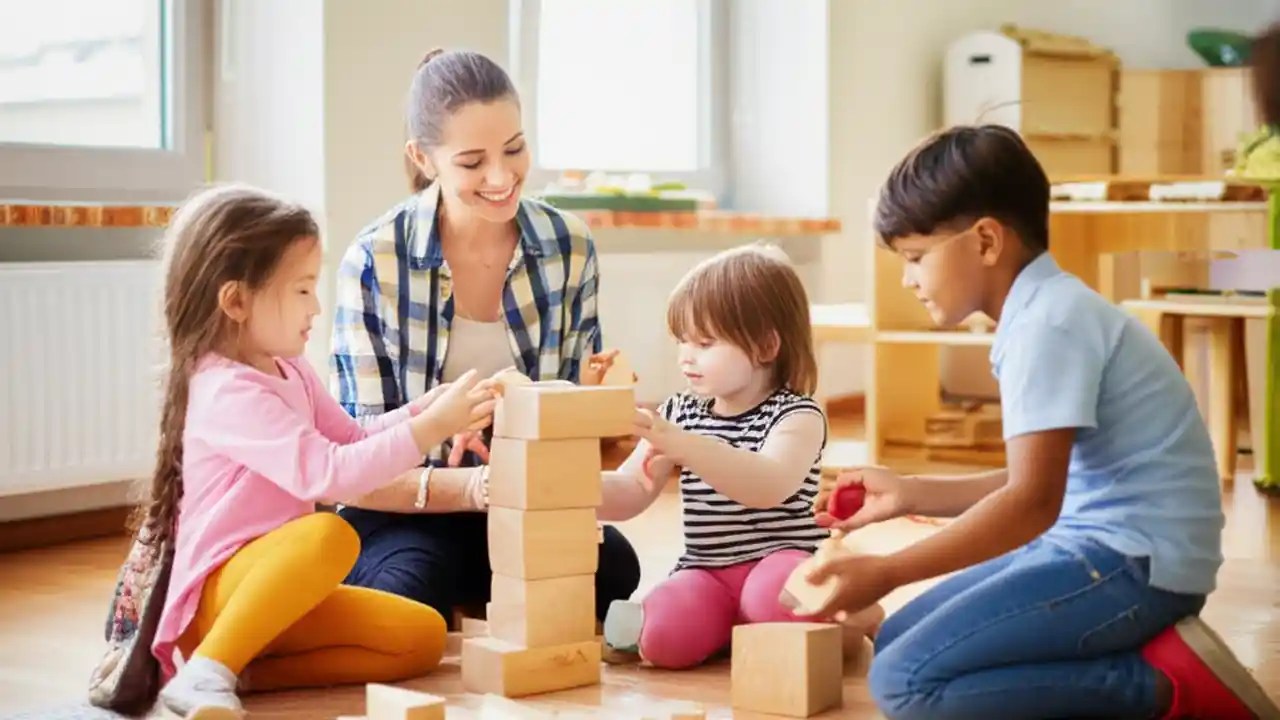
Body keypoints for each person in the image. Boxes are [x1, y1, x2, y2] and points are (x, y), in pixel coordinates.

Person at [805, 125, 1279, 720]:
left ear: (984, 242)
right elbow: (1042, 482)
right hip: (1109, 547)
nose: (907, 278)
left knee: (906, 685)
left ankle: (1159, 686)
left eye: (916, 257)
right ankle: (1142, 652)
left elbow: (1031, 503)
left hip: (1136, 564)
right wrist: (911, 492)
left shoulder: (1046, 326)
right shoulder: (1043, 310)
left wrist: (888, 571)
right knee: (899, 643)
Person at [143, 184, 496, 717]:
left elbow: (352, 438)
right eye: (303, 289)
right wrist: (429, 431)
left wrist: (428, 409)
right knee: (329, 533)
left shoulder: (290, 368)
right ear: (236, 301)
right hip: (223, 600)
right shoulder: (224, 390)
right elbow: (330, 476)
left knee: (421, 635)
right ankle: (211, 663)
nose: (316, 306)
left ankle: (229, 673)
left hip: (281, 595)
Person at [328, 48, 640, 625]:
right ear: (423, 158)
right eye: (472, 162)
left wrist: (590, 409)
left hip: (521, 501)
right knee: (407, 592)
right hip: (408, 507)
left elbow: (572, 423)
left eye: (515, 149)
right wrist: (474, 486)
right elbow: (355, 467)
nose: (501, 178)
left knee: (617, 570)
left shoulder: (568, 246)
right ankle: (461, 584)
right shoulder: (375, 260)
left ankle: (472, 584)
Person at [592, 244, 884, 670]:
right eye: (682, 341)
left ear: (766, 347)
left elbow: (768, 485)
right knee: (662, 641)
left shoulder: (797, 415)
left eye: (705, 343)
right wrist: (565, 480)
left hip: (781, 559)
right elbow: (631, 490)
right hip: (708, 570)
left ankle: (852, 623)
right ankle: (732, 628)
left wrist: (684, 445)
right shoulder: (681, 412)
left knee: (773, 600)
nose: (685, 356)